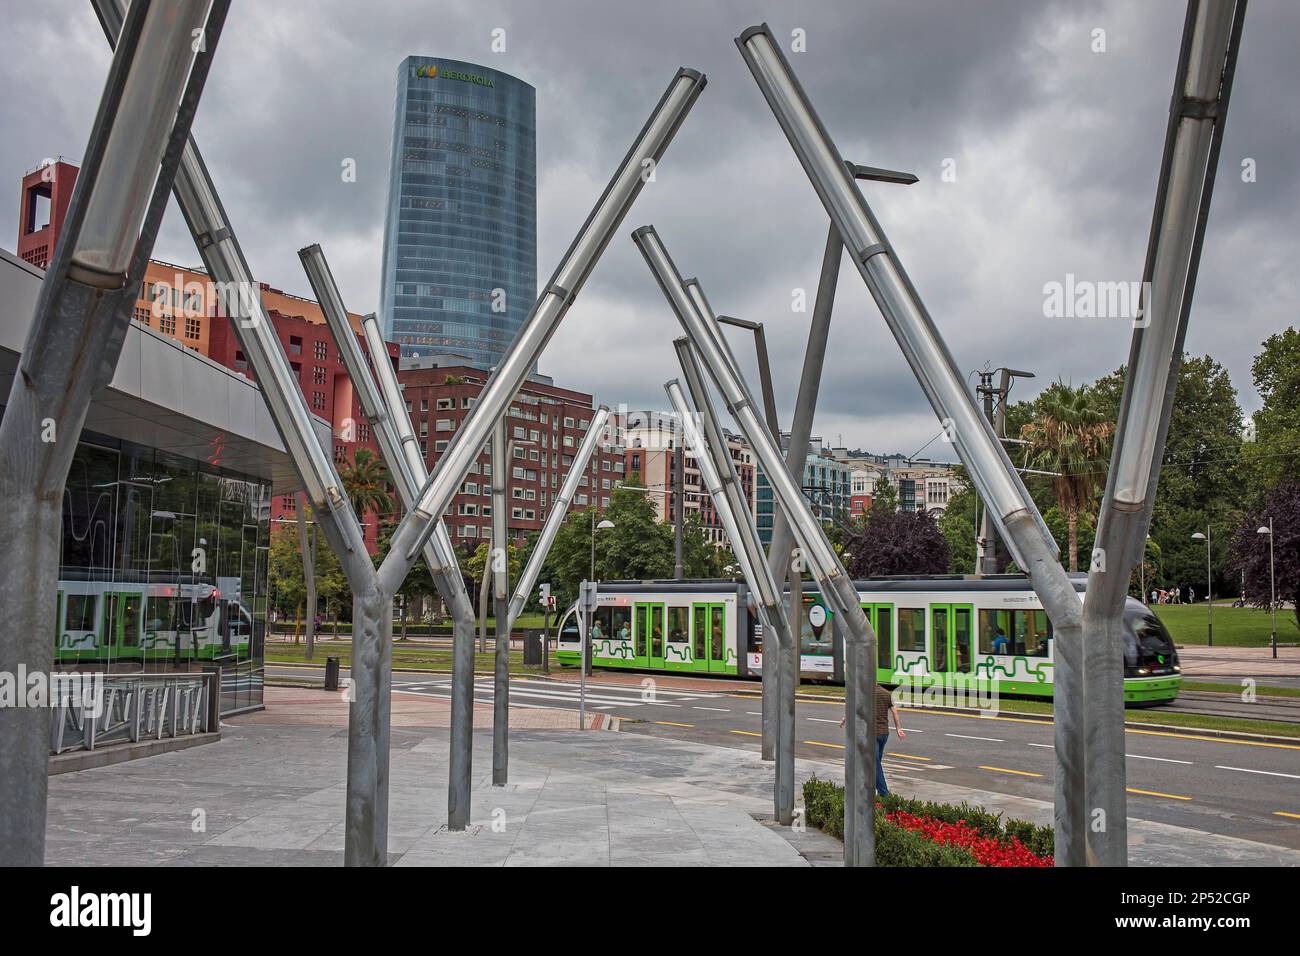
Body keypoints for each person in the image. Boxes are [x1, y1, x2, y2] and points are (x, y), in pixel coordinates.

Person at [840, 684, 906, 796]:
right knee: (875, 763)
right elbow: (895, 712)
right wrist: (898, 728)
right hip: (884, 734)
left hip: (872, 734)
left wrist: (844, 720)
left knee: (874, 764)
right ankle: (870, 789)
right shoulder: (886, 693)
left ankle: (884, 793)